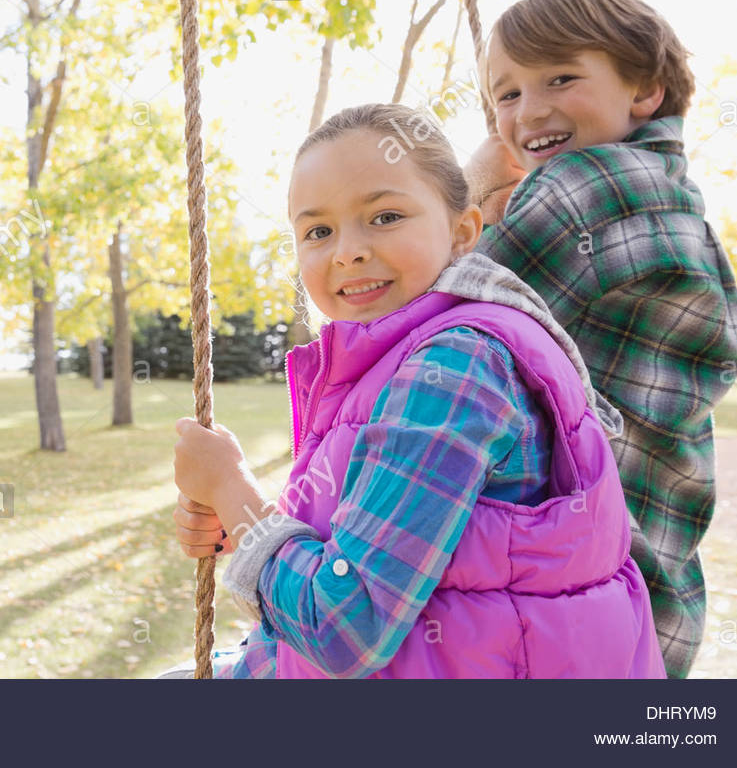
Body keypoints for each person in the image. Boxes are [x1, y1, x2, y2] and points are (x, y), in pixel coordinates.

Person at [164, 103, 665, 679]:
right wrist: (251, 529)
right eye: (318, 230)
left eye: (384, 217)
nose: (347, 249)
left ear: (462, 231)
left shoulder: (455, 367)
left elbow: (345, 628)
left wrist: (232, 492)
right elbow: (379, 543)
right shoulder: (401, 358)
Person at [463, 0, 737, 678]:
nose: (529, 111)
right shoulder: (674, 194)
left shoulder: (588, 183)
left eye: (560, 77)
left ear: (645, 88)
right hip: (645, 606)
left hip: (568, 610)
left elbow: (423, 316)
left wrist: (470, 193)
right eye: (506, 95)